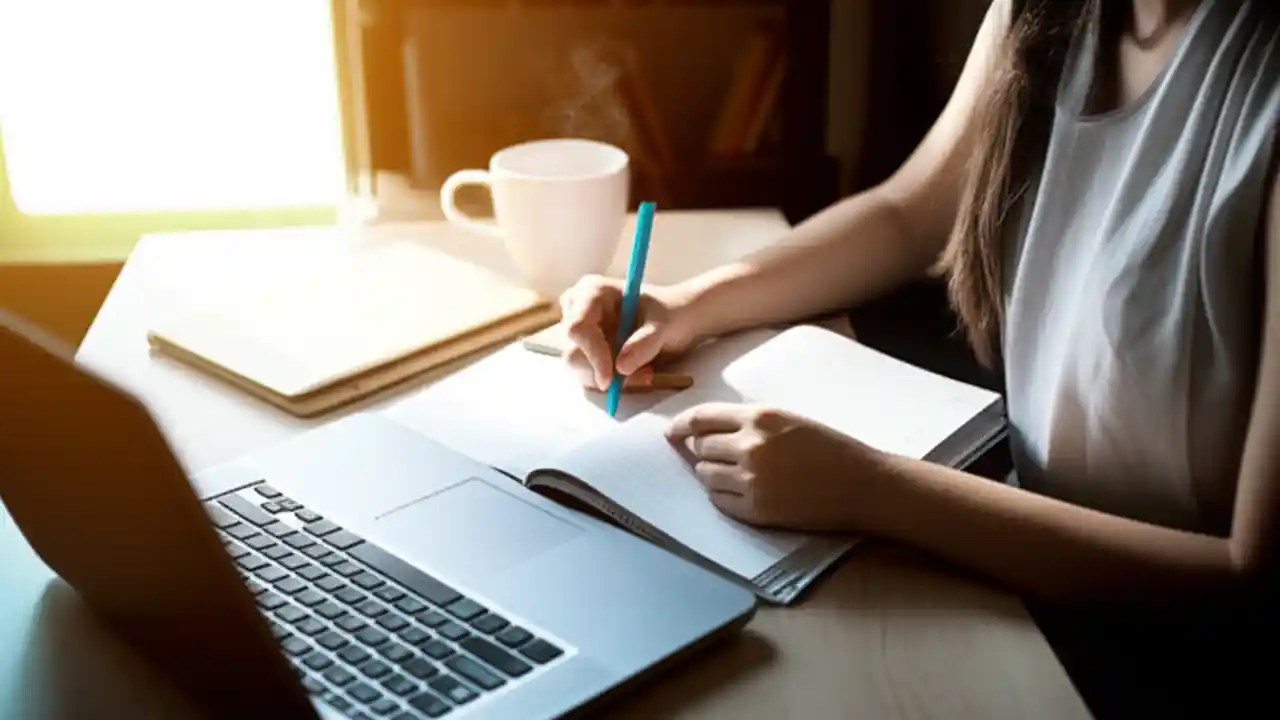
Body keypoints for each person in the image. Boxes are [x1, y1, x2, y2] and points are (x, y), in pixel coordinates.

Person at [559, 0, 1278, 716]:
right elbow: (908, 215)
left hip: (1171, 666)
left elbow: (1246, 573)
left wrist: (869, 489)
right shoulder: (1047, 10)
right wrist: (686, 304)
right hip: (1011, 577)